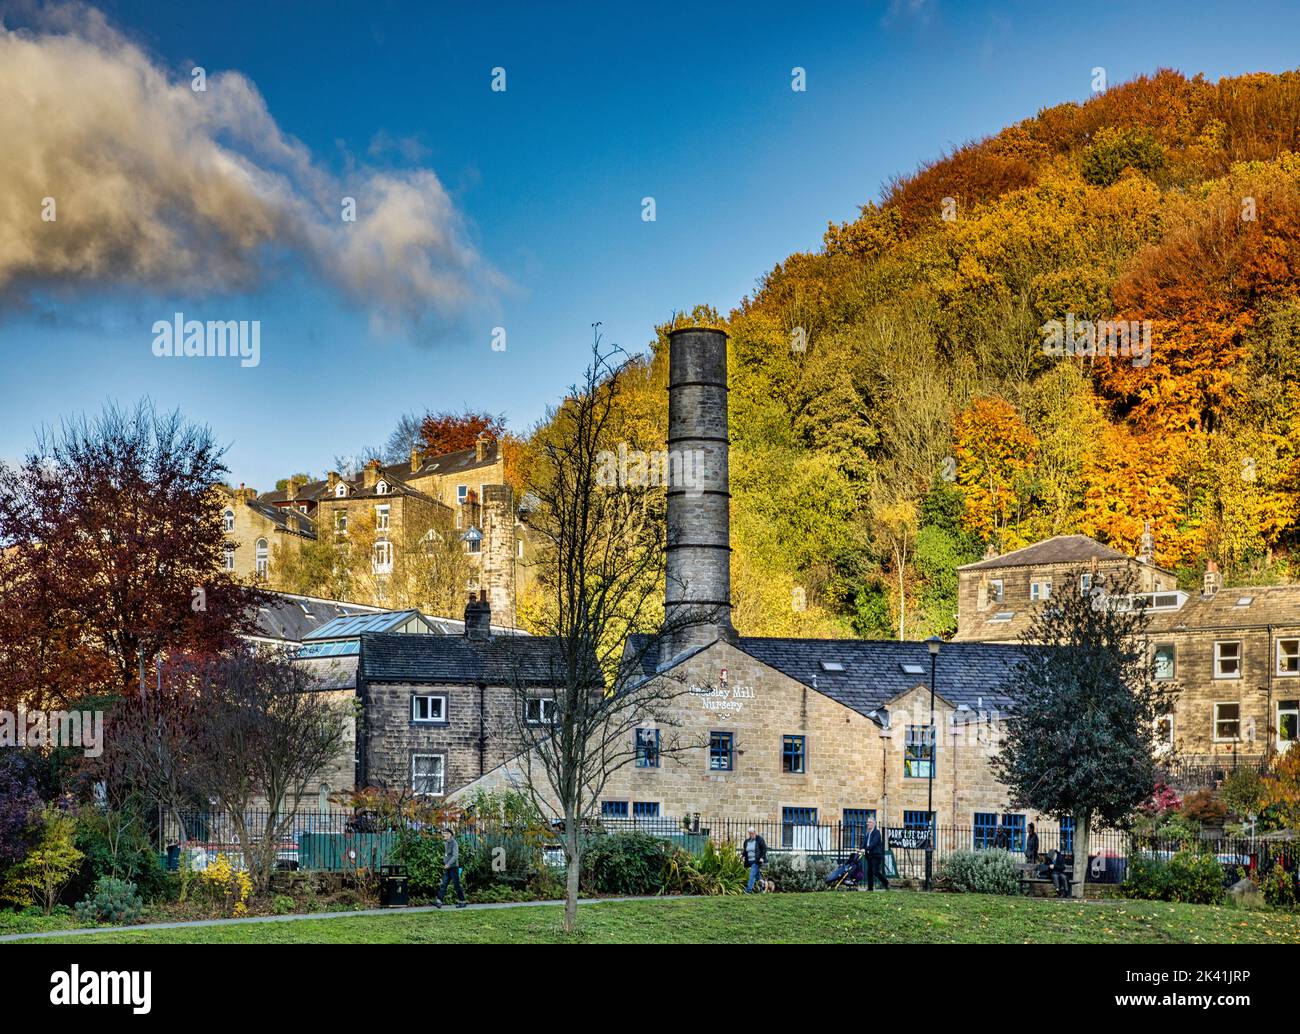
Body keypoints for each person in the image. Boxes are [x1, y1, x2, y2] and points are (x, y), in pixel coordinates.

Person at [434, 827, 467, 909]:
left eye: (445, 833)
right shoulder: (446, 843)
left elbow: (455, 856)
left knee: (456, 885)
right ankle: (439, 901)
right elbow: (447, 854)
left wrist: (448, 864)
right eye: (443, 833)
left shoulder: (454, 843)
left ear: (450, 834)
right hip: (448, 868)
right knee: (443, 884)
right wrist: (445, 861)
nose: (443, 835)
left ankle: (462, 901)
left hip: (454, 868)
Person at [862, 817, 888, 891]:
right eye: (867, 822)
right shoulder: (868, 833)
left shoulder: (877, 832)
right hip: (869, 855)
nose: (868, 824)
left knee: (875, 872)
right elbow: (865, 843)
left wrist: (866, 849)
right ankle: (870, 888)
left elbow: (873, 843)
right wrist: (861, 849)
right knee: (869, 872)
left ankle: (885, 882)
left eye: (869, 822)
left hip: (876, 855)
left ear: (873, 823)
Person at [740, 826, 768, 893]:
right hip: (749, 861)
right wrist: (742, 855)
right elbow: (745, 850)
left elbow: (764, 849)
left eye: (752, 833)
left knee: (752, 875)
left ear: (755, 832)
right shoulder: (747, 841)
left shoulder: (759, 839)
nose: (751, 835)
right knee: (757, 875)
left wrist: (762, 857)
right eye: (749, 833)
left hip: (757, 861)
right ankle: (763, 884)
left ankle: (748, 890)